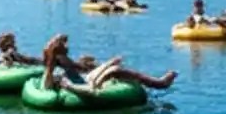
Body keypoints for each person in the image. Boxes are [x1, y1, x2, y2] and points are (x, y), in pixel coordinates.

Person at [40, 34, 177, 95]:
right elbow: (86, 88)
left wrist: (100, 64)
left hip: (85, 80)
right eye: (64, 45)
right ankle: (160, 83)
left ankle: (156, 82)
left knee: (111, 66)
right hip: (85, 85)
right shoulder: (52, 72)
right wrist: (105, 67)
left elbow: (79, 70)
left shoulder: (63, 61)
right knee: (114, 70)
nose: (67, 47)